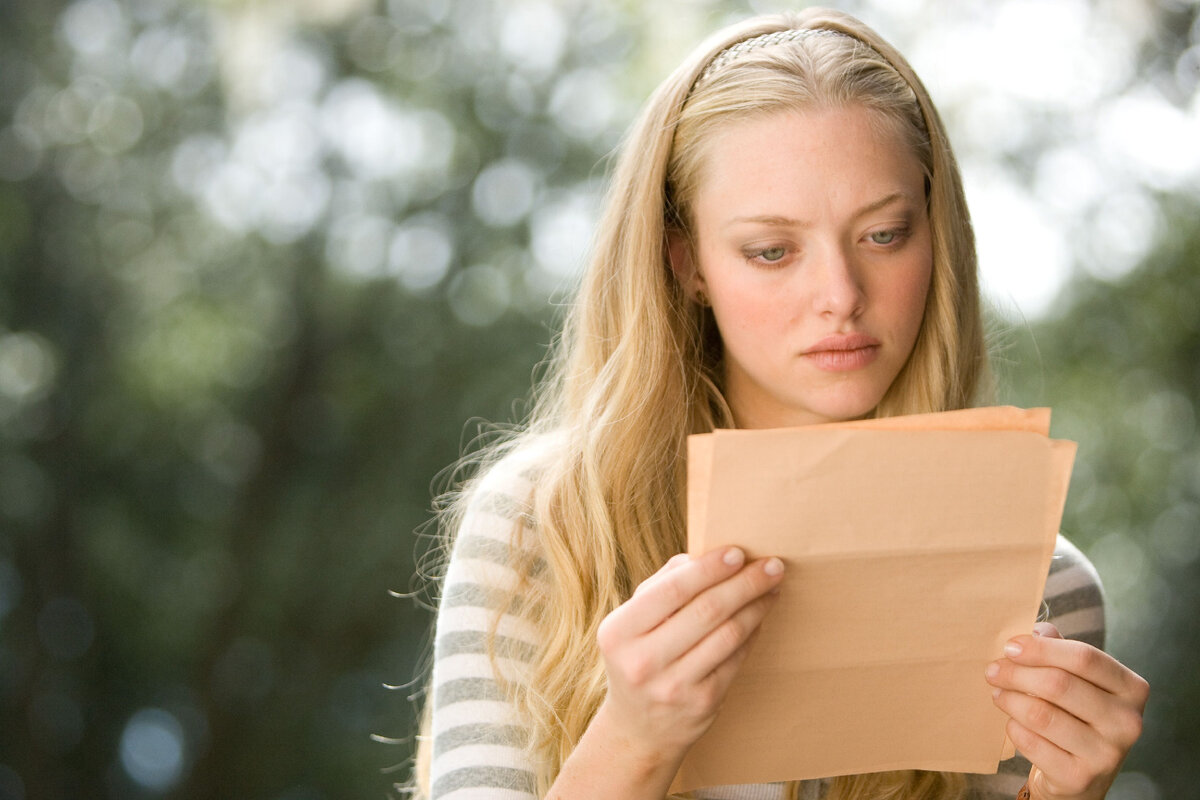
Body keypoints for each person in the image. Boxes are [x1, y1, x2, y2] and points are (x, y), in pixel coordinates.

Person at [408, 8, 1148, 800]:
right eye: (771, 251)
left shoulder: (1044, 588)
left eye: (886, 234)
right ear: (685, 262)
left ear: (938, 234)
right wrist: (633, 743)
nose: (839, 296)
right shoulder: (542, 526)